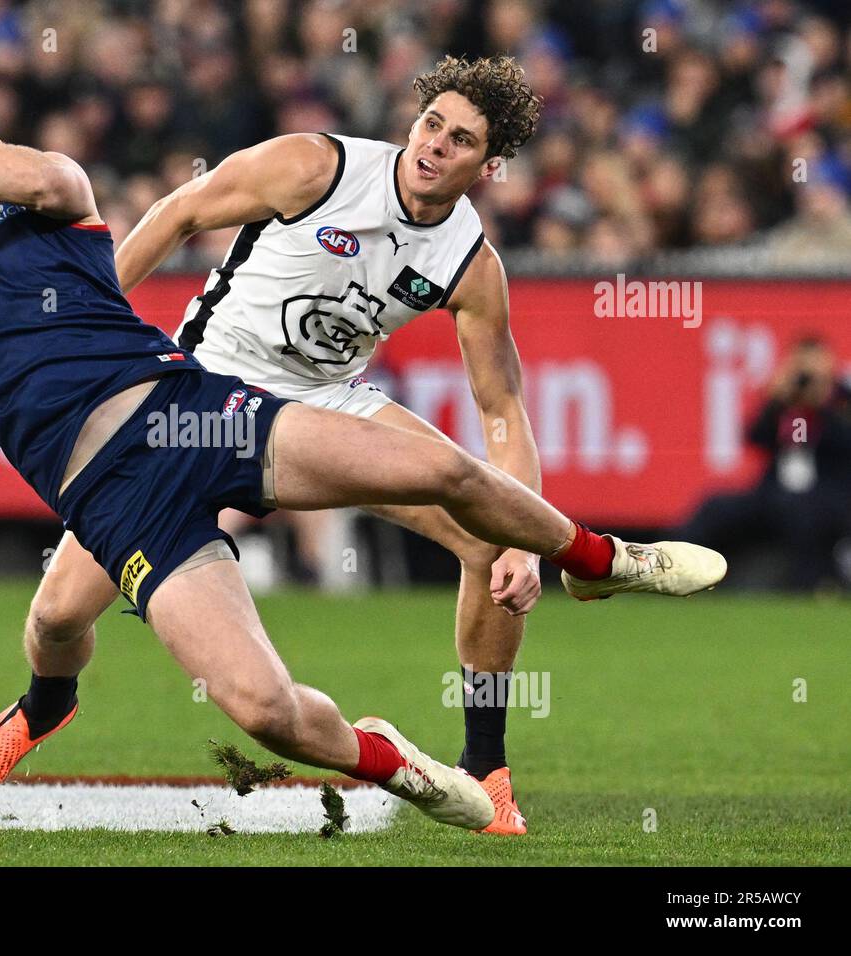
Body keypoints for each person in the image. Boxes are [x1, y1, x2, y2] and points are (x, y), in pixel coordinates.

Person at [0, 76, 725, 832]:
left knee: (446, 474)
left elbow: (47, 167)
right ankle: (86, 712)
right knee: (197, 682)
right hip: (115, 497)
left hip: (191, 412)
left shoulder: (51, 203)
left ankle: (602, 562)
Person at [27, 54, 544, 834]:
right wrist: (93, 322)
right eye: (431, 123)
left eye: (461, 139)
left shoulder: (471, 266)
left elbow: (502, 407)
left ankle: (487, 768)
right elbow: (179, 212)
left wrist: (528, 542)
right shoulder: (316, 166)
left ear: (489, 163)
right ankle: (46, 704)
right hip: (202, 392)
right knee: (60, 614)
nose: (435, 145)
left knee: (489, 537)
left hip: (323, 405)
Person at [684, 336, 851, 590]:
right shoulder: (784, 403)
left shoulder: (841, 399)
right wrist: (777, 403)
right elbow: (755, 437)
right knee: (714, 507)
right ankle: (681, 574)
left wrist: (822, 406)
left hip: (826, 495)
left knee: (805, 517)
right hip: (776, 493)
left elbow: (842, 443)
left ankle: (810, 588)